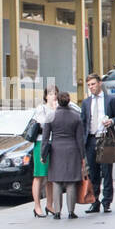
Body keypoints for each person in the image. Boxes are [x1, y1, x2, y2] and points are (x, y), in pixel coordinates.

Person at [80, 72, 115, 213]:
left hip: (105, 139)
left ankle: (107, 202)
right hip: (91, 140)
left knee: (106, 172)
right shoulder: (86, 102)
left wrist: (112, 121)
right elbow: (83, 122)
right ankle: (95, 201)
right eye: (89, 85)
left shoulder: (110, 100)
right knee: (93, 173)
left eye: (93, 84)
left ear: (99, 84)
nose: (91, 87)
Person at [41, 90, 85, 218]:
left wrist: (43, 155)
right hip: (72, 151)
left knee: (57, 181)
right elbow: (80, 139)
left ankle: (57, 212)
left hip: (56, 151)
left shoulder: (51, 116)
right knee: (71, 182)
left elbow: (45, 139)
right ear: (69, 101)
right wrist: (82, 156)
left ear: (58, 101)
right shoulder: (76, 116)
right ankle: (71, 212)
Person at [30, 85, 58, 218]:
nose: (54, 96)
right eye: (51, 94)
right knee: (39, 175)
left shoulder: (58, 109)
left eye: (56, 93)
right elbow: (44, 124)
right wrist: (53, 110)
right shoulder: (41, 108)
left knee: (50, 177)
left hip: (54, 143)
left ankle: (49, 204)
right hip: (42, 143)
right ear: (46, 96)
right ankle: (37, 206)